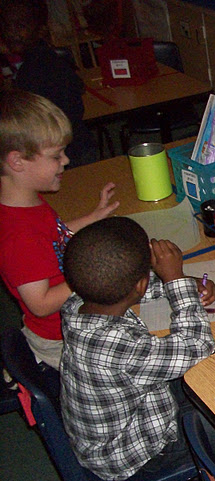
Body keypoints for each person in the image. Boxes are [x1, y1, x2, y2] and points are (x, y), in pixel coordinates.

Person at [60, 217, 215, 481]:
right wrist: (174, 279)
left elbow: (124, 287)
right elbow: (197, 345)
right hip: (132, 455)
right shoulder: (120, 346)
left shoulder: (78, 303)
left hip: (121, 421)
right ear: (140, 283)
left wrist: (184, 284)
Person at [0, 89, 117, 369]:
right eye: (56, 155)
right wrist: (92, 275)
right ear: (17, 162)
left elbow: (54, 235)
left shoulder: (25, 202)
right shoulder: (19, 236)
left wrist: (93, 217)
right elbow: (40, 304)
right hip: (59, 339)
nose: (65, 160)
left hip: (70, 319)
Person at [0, 0, 99, 167]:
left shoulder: (38, 69)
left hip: (65, 153)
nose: (12, 33)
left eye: (20, 26)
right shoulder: (41, 58)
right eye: (6, 26)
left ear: (40, 30)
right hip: (66, 147)